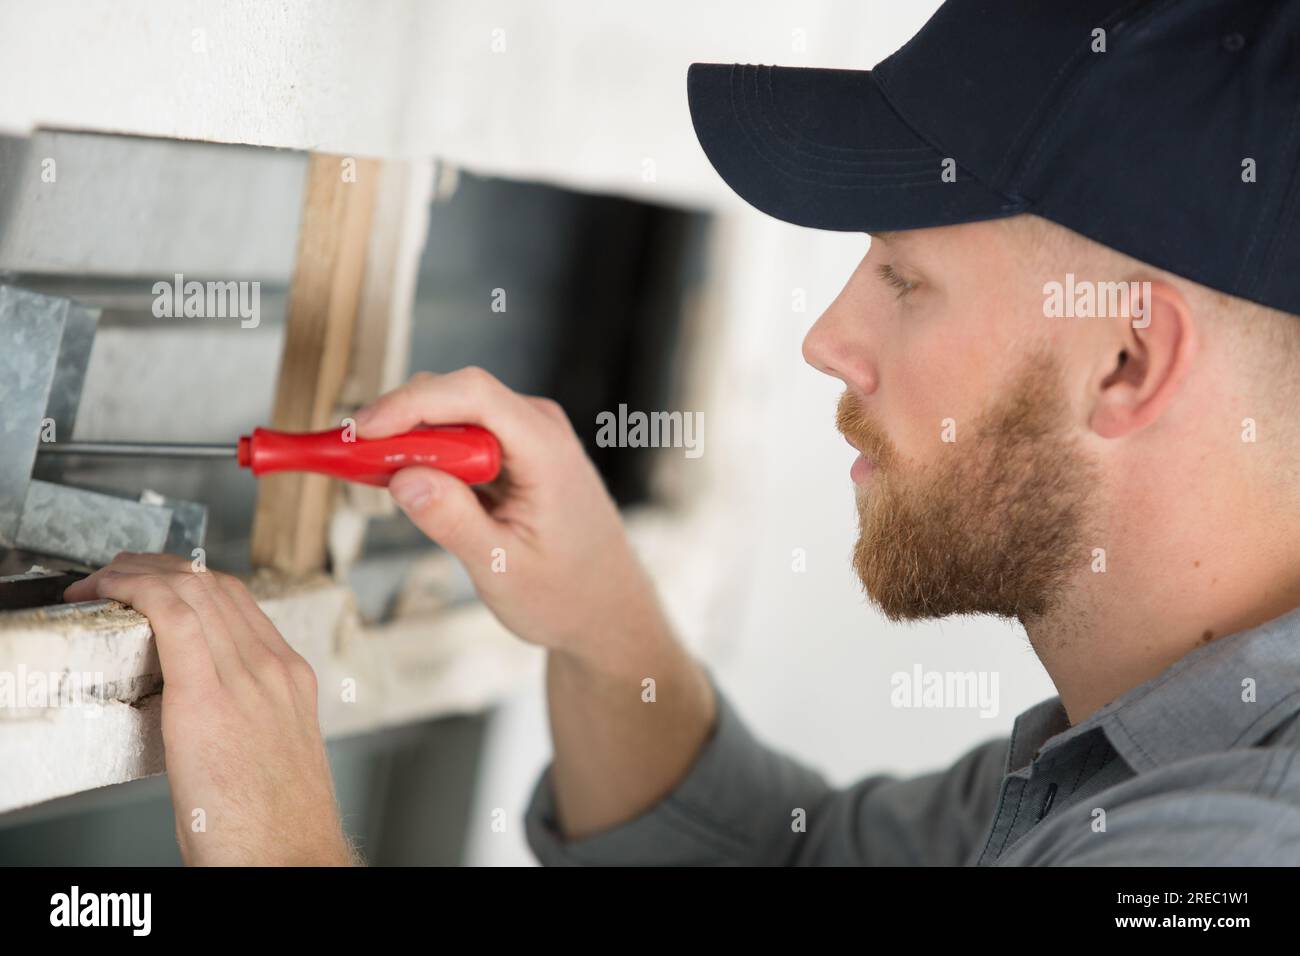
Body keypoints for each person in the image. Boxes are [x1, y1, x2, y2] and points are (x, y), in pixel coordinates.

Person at [66, 0, 1300, 865]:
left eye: (906, 279)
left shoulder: (1230, 842)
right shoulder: (1125, 764)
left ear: (1125, 359)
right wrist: (605, 621)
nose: (828, 338)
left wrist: (277, 840)